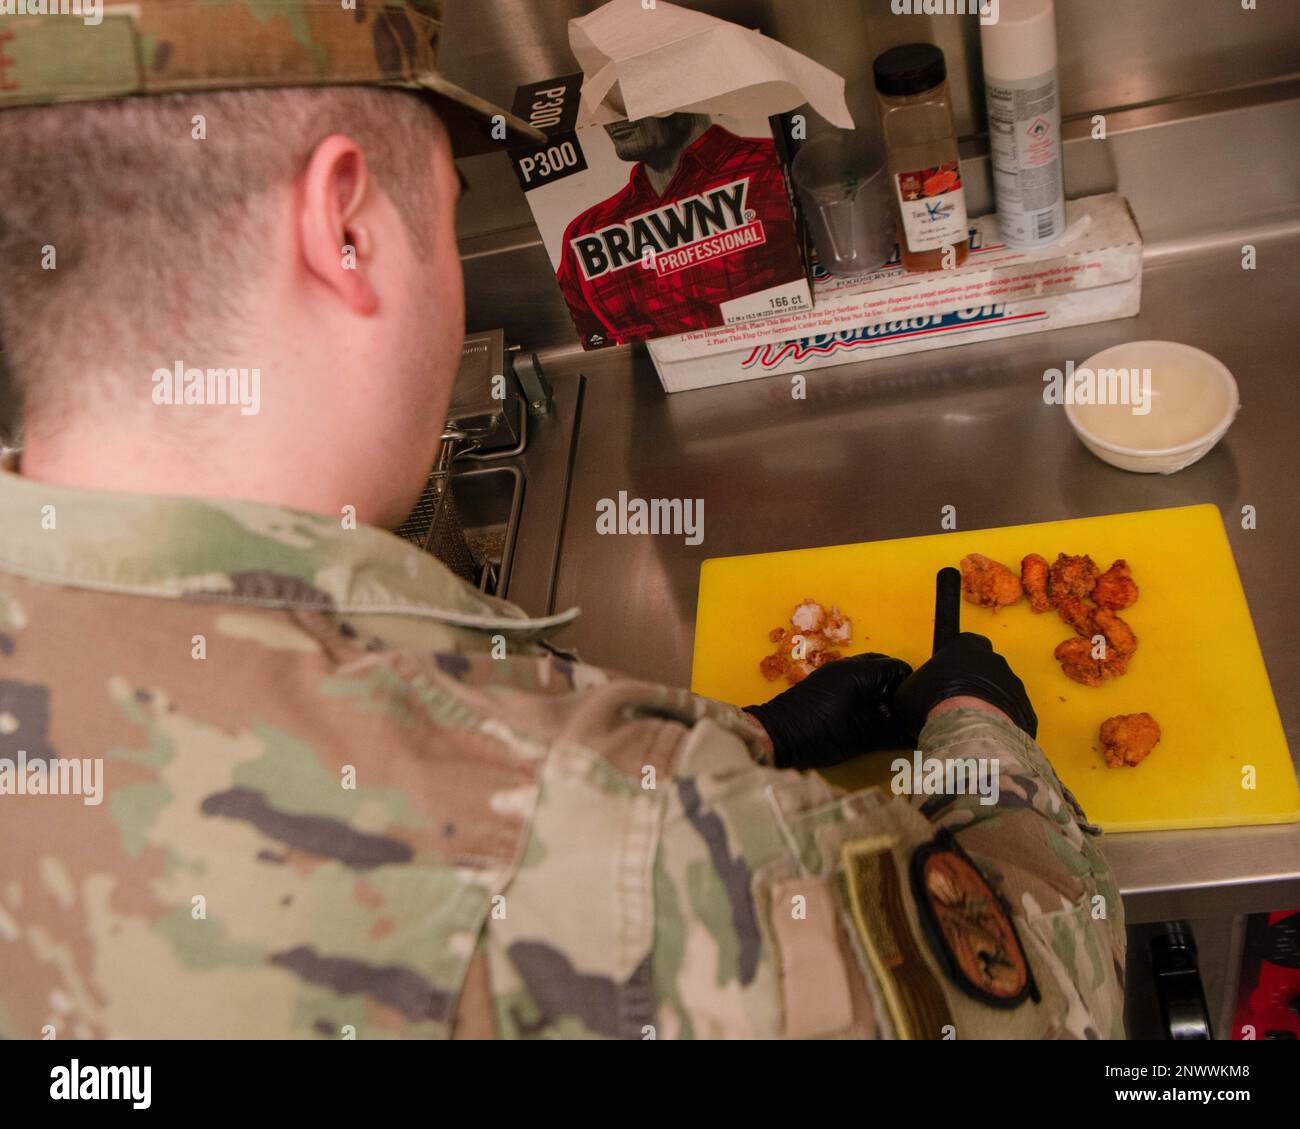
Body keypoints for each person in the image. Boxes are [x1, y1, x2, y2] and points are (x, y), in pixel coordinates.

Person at [0, 0, 1124, 1040]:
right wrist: (982, 740)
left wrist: (753, 739)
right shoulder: (583, 848)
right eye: (444, 215)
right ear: (342, 229)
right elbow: (1037, 1001)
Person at [555, 112, 806, 347]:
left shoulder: (772, 168)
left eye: (623, 100)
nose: (610, 118)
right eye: (598, 103)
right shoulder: (586, 232)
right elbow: (597, 353)